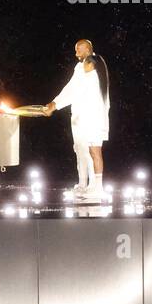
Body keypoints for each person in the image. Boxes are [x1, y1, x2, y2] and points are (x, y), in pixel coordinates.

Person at [42, 38, 110, 201]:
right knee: (80, 150)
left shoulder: (95, 61)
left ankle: (96, 186)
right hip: (80, 116)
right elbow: (71, 87)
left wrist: (55, 105)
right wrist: (54, 103)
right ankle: (82, 184)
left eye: (78, 50)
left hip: (93, 116)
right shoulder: (80, 67)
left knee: (92, 152)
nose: (75, 53)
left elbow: (74, 90)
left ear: (87, 49)